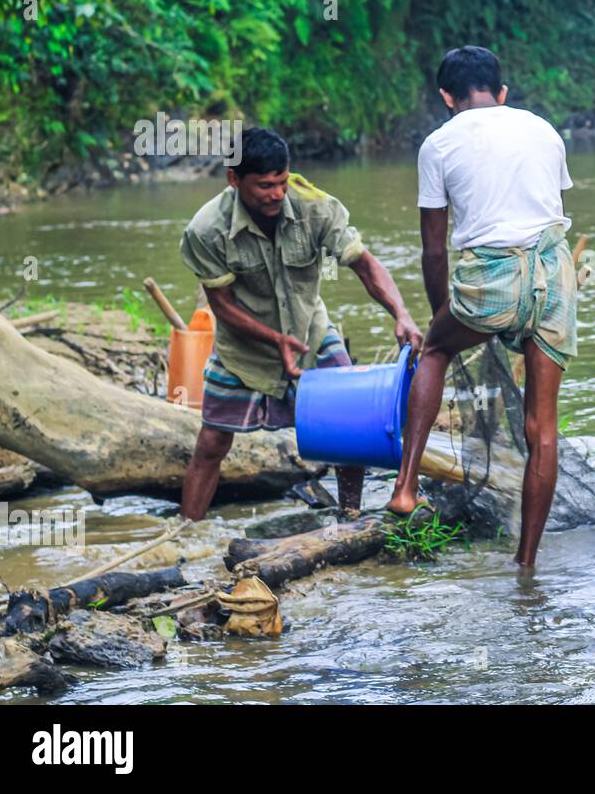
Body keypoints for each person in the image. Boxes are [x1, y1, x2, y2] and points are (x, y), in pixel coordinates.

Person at [386, 46, 577, 571]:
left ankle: (404, 488)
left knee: (434, 353)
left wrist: (439, 316)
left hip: (490, 278)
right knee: (542, 429)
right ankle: (527, 564)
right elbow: (549, 210)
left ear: (447, 98)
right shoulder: (543, 130)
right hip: (552, 274)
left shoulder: (438, 143)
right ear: (503, 93)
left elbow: (433, 247)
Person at [178, 127, 421, 521]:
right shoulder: (206, 230)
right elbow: (221, 306)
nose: (276, 194)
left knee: (352, 427)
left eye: (281, 182)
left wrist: (402, 314)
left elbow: (365, 265)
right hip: (243, 348)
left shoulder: (316, 208)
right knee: (211, 442)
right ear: (233, 179)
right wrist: (275, 340)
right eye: (264, 186)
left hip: (311, 331)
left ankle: (350, 515)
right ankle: (186, 531)